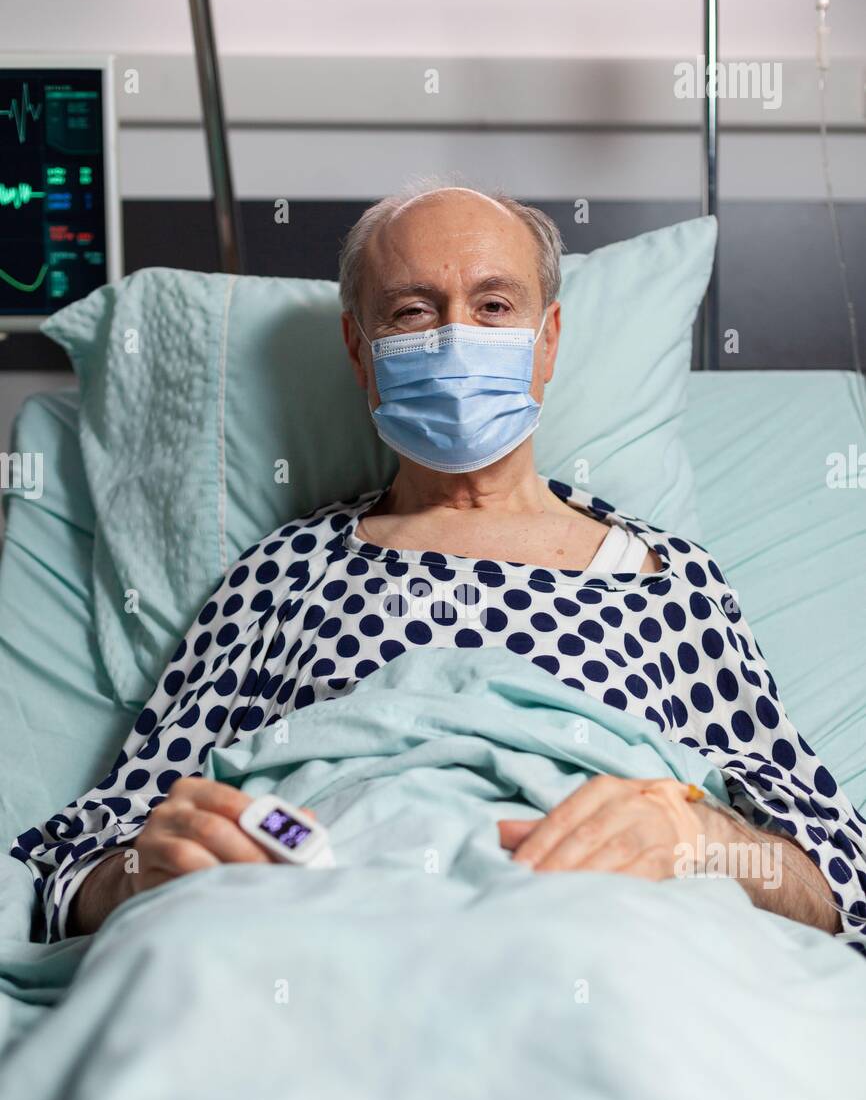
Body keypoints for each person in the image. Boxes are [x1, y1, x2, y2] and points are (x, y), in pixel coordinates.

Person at [13, 187, 866, 946]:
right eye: (413, 311)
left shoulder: (663, 579)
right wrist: (144, 873)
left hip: (599, 931)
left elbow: (838, 878)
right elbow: (76, 860)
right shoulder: (282, 574)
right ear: (359, 351)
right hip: (309, 926)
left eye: (494, 305)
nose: (458, 336)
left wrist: (699, 840)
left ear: (547, 341)